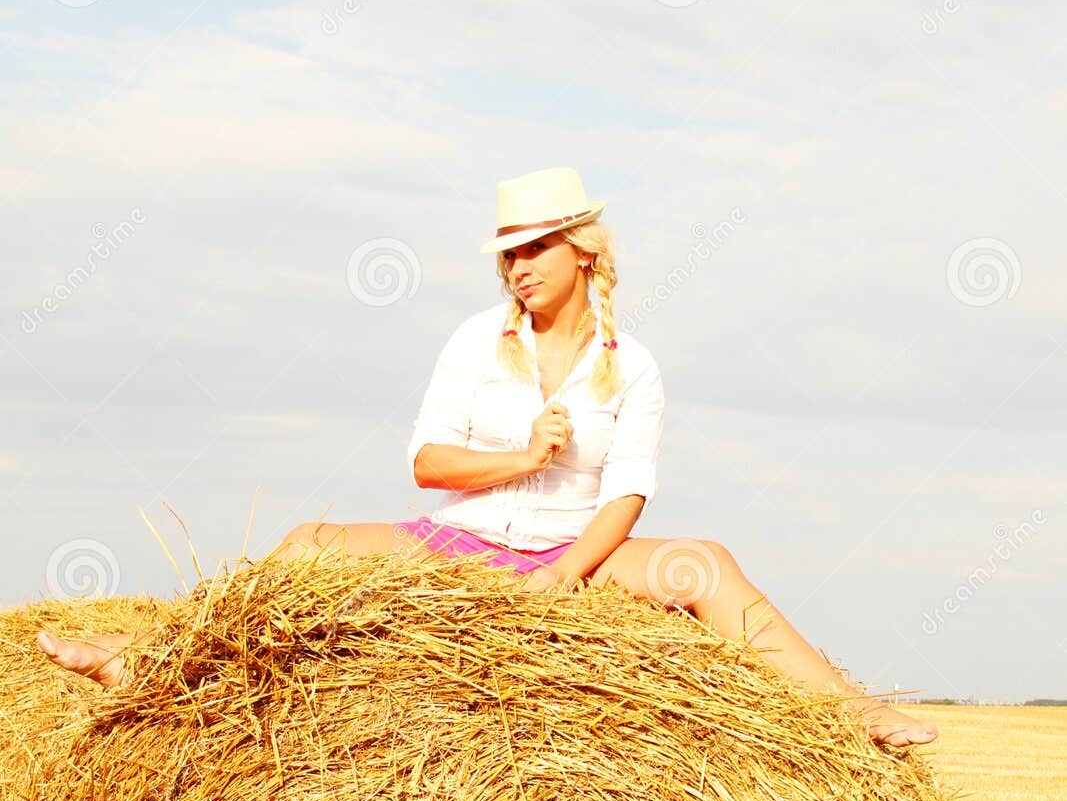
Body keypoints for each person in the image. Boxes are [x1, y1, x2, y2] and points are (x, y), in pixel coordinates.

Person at [37, 165, 936, 749]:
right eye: (508, 253)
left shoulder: (634, 366)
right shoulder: (475, 341)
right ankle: (148, 658)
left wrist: (565, 578)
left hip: (569, 554)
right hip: (459, 538)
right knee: (308, 539)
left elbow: (626, 496)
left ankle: (846, 710)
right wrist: (516, 457)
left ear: (583, 252)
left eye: (535, 248)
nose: (518, 267)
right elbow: (427, 464)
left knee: (709, 567)